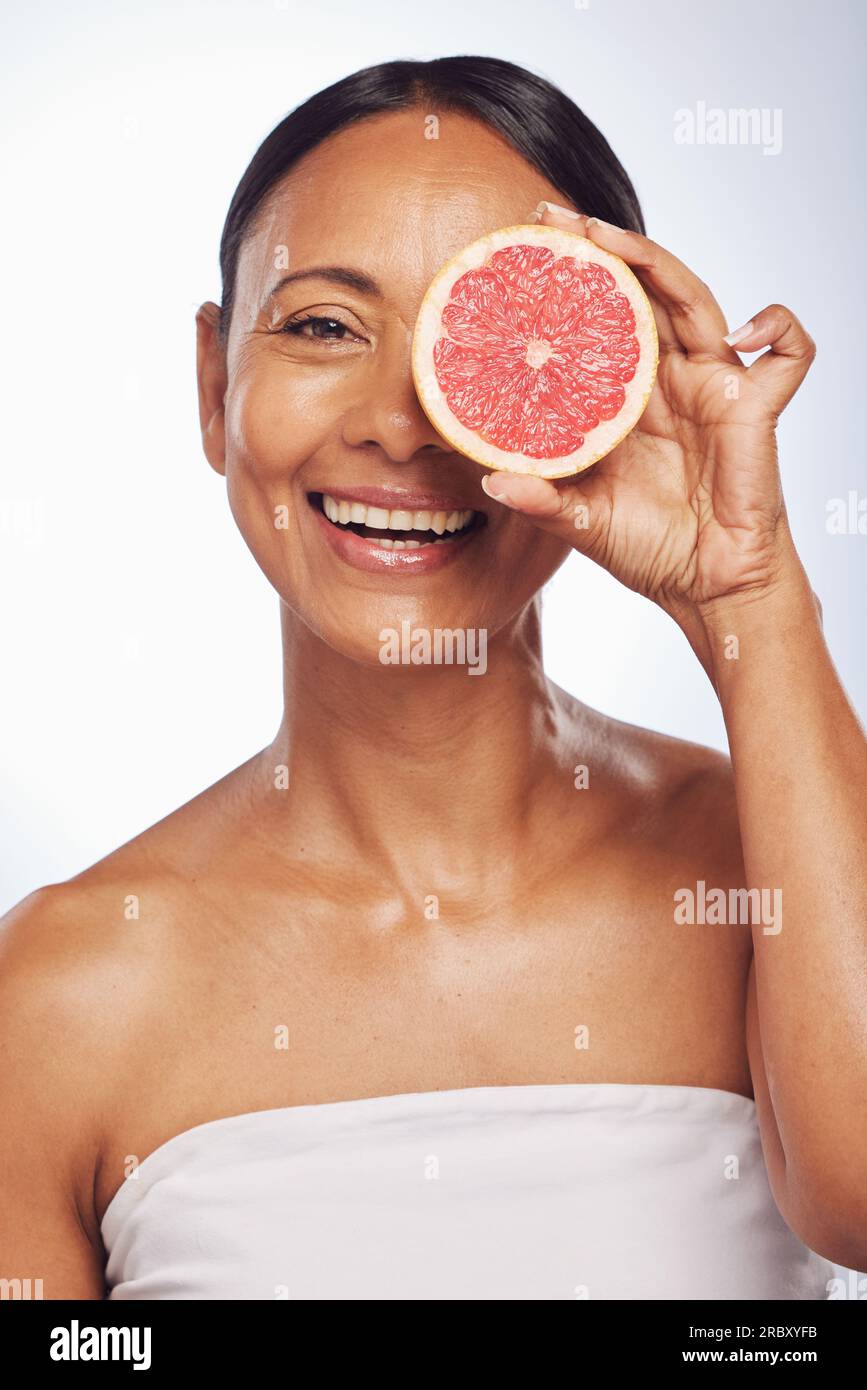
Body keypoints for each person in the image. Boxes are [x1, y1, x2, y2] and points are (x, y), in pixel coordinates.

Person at [1, 57, 865, 1301]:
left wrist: (752, 593)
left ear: (607, 389)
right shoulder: (55, 992)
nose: (402, 427)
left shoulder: (777, 864)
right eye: (322, 326)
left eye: (491, 345)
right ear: (211, 384)